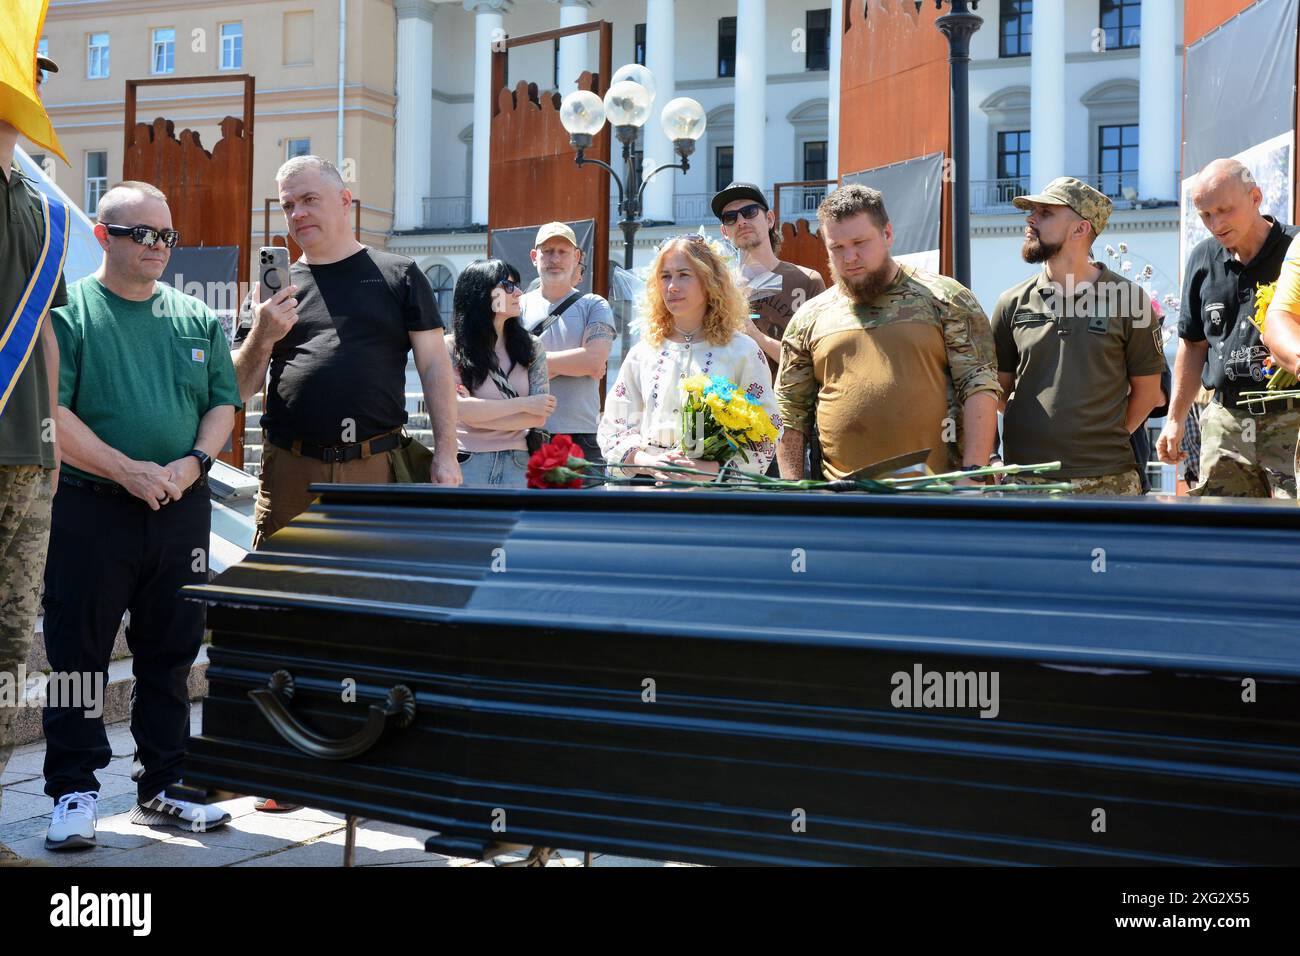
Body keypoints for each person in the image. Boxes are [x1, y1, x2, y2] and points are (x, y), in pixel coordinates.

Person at [42, 182, 239, 849]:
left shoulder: (193, 316)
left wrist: (191, 465)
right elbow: (54, 414)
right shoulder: (67, 314)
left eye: (167, 236)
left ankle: (164, 785)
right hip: (92, 508)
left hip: (181, 506)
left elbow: (221, 404)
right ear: (103, 234)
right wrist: (127, 470)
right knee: (77, 653)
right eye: (142, 234)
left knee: (172, 652)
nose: (158, 246)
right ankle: (72, 789)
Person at [234, 155, 461, 551]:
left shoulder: (399, 274)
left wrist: (446, 453)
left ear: (344, 200)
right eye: (288, 205)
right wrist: (263, 334)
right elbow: (237, 387)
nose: (298, 213)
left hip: (374, 468)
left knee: (371, 593)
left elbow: (434, 366)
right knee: (286, 598)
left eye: (309, 199)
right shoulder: (271, 292)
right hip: (290, 471)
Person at [776, 184, 1000, 482]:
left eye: (860, 242)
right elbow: (790, 412)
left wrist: (973, 474)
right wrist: (793, 489)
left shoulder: (946, 299)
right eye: (837, 248)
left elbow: (979, 385)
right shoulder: (809, 319)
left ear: (888, 234)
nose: (850, 257)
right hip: (842, 501)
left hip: (937, 497)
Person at [991, 177, 1167, 494]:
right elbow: (998, 391)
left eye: (1045, 213)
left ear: (1080, 229)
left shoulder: (1130, 300)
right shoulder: (1011, 302)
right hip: (1027, 481)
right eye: (1033, 212)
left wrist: (1100, 439)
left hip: (1108, 482)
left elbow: (1148, 392)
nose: (1031, 219)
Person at [0, 52, 67, 864]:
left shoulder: (43, 205)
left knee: (11, 647)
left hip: (27, 457)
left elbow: (44, 330)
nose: (31, 81)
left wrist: (51, 437)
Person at [1156, 159, 1300, 497]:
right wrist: (1175, 419)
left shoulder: (1295, 251)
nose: (1216, 223)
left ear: (1255, 197)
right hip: (1226, 421)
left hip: (1291, 419)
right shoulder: (1202, 259)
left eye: (1224, 210)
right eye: (1205, 215)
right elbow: (1193, 346)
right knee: (1224, 531)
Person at [599, 236, 779, 479]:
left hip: (715, 497)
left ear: (709, 281)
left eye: (684, 274)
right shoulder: (643, 353)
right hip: (645, 490)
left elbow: (767, 429)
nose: (672, 286)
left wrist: (715, 471)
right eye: (665, 276)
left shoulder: (742, 351)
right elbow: (615, 423)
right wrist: (646, 462)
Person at [449, 260, 554, 486]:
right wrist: (525, 404)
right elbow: (460, 411)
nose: (518, 292)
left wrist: (480, 411)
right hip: (467, 464)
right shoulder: (450, 347)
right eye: (508, 285)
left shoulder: (532, 347)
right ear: (481, 292)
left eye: (517, 286)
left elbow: (539, 416)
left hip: (518, 464)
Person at [518, 222, 615, 466]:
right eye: (548, 251)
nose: (555, 258)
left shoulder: (595, 305)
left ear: (577, 257)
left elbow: (593, 362)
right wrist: (576, 362)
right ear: (534, 257)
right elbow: (503, 366)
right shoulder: (516, 306)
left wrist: (530, 364)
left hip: (581, 440)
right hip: (522, 438)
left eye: (563, 251)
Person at [712, 181, 826, 375]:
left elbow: (820, 359)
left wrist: (757, 337)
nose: (741, 221)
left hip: (790, 403)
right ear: (724, 232)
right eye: (730, 217)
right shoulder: (717, 287)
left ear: (770, 219)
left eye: (750, 212)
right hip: (732, 402)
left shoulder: (806, 280)